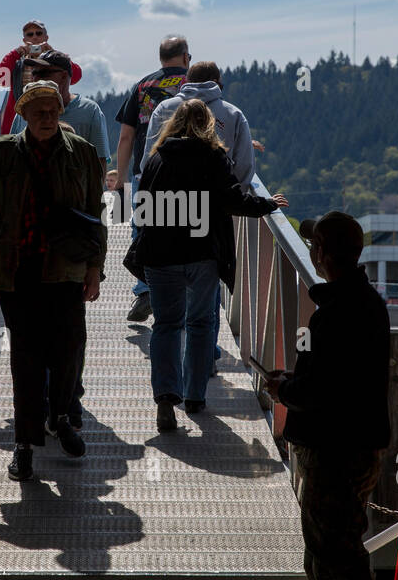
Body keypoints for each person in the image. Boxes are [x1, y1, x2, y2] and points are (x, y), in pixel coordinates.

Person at [263, 211, 392, 580]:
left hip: (336, 449)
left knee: (336, 559)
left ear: (319, 252)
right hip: (356, 444)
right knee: (335, 553)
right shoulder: (365, 305)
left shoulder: (335, 313)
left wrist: (283, 388)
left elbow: (322, 390)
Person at [0, 79, 104, 481]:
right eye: (39, 112)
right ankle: (24, 444)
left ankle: (61, 416)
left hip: (67, 268)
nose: (48, 118)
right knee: (27, 358)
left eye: (53, 111)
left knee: (70, 349)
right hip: (16, 272)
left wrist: (95, 268)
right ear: (22, 115)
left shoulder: (82, 155)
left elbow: (94, 215)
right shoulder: (3, 154)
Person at [126, 98, 287, 431]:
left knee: (167, 325)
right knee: (200, 324)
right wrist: (267, 204)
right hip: (201, 255)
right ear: (208, 124)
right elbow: (233, 199)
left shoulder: (157, 159)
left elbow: (142, 210)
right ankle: (195, 395)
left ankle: (165, 398)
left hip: (161, 256)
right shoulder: (213, 157)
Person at [10, 51, 108, 427]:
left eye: (46, 75)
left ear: (66, 78)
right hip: (27, 253)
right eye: (32, 77)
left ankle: (67, 403)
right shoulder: (14, 142)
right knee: (33, 343)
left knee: (69, 338)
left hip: (70, 243)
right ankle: (41, 418)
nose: (37, 82)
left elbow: (99, 168)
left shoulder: (87, 115)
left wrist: (95, 263)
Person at [141, 60, 256, 370]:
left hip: (166, 223)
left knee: (167, 320)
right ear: (218, 81)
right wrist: (231, 197)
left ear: (186, 80)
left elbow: (146, 164)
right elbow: (244, 166)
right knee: (205, 306)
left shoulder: (165, 107)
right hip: (210, 220)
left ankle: (167, 389)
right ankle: (206, 361)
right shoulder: (232, 114)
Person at [114, 35, 191, 322]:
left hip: (147, 173)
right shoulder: (196, 85)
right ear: (186, 58)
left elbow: (126, 135)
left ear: (161, 59)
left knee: (143, 231)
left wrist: (121, 180)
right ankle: (184, 295)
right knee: (188, 230)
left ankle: (146, 290)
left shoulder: (142, 86)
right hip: (189, 174)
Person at [0, 20, 82, 136]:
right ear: (24, 40)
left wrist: (55, 54)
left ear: (46, 37)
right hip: (22, 115)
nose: (34, 37)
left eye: (38, 33)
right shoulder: (16, 63)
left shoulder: (57, 61)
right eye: (30, 34)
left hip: (49, 115)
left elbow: (76, 76)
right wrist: (15, 54)